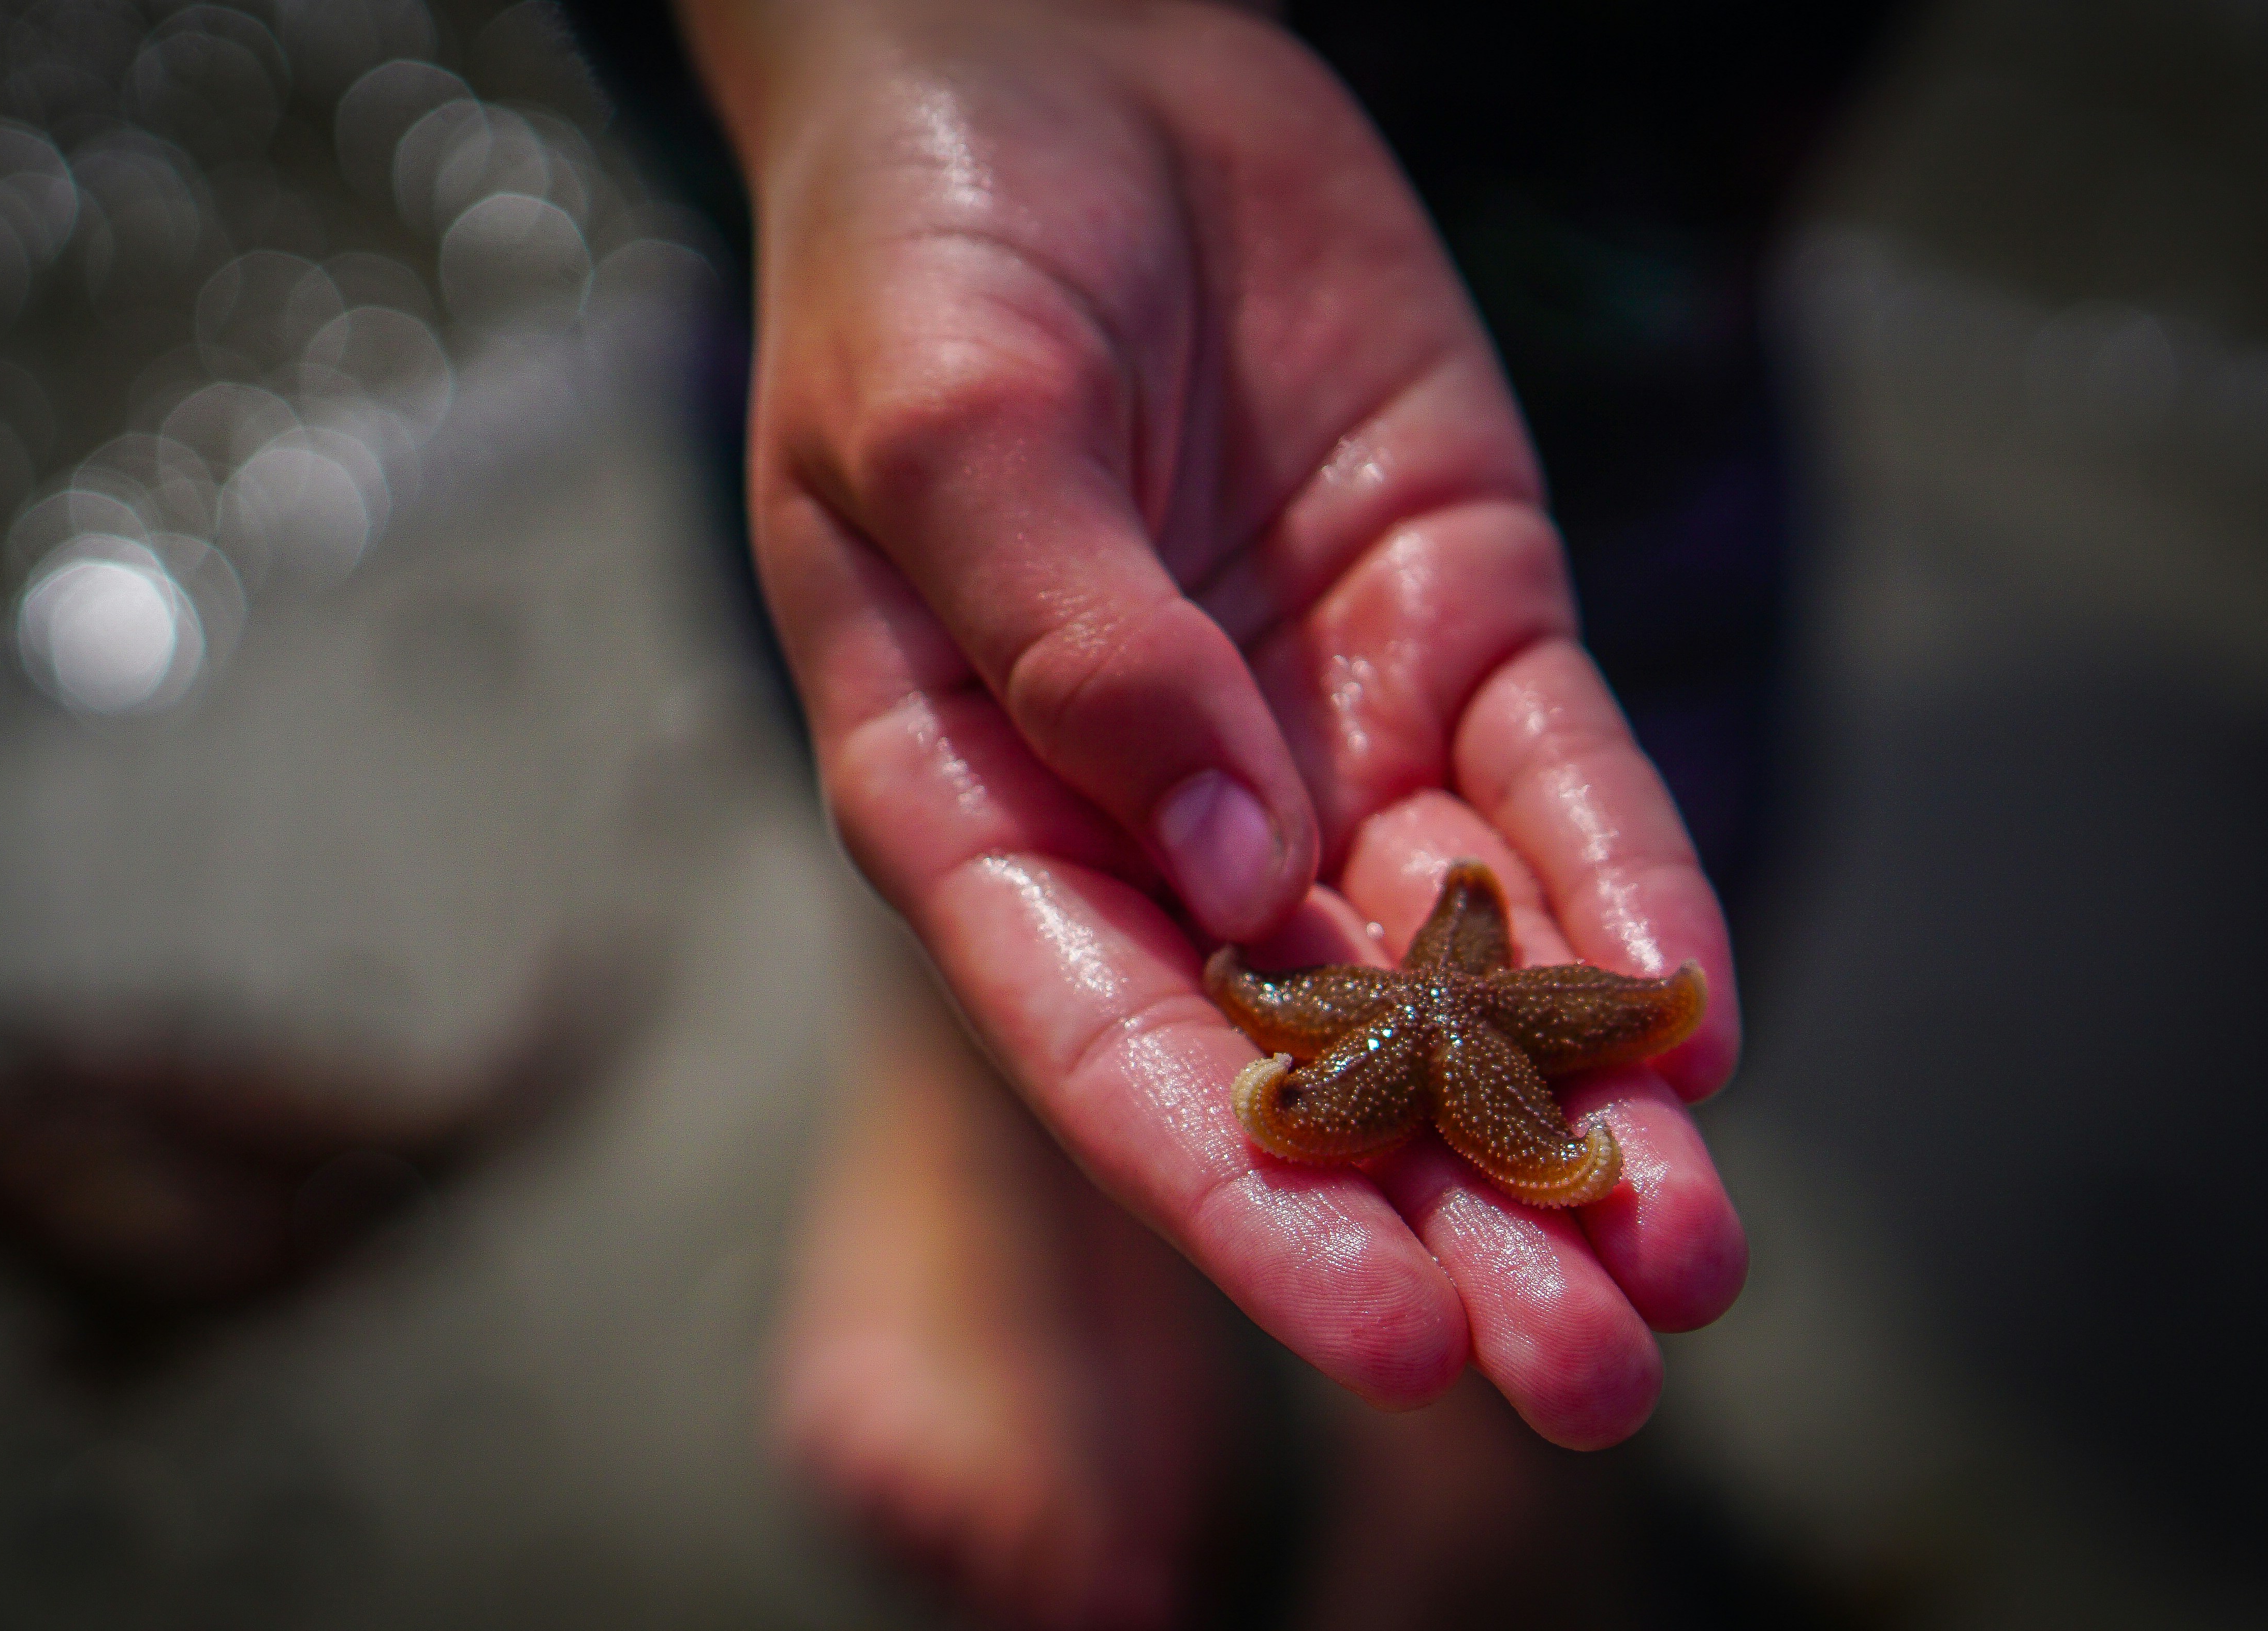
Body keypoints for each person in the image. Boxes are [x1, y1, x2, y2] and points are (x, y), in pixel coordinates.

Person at [650, 0, 1757, 1621]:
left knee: (1642, 430)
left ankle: (1477, 1405)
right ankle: (974, 1083)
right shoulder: (1433, 1005)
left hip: (1641, 203)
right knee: (939, 608)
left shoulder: (1439, 991)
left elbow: (1467, 981)